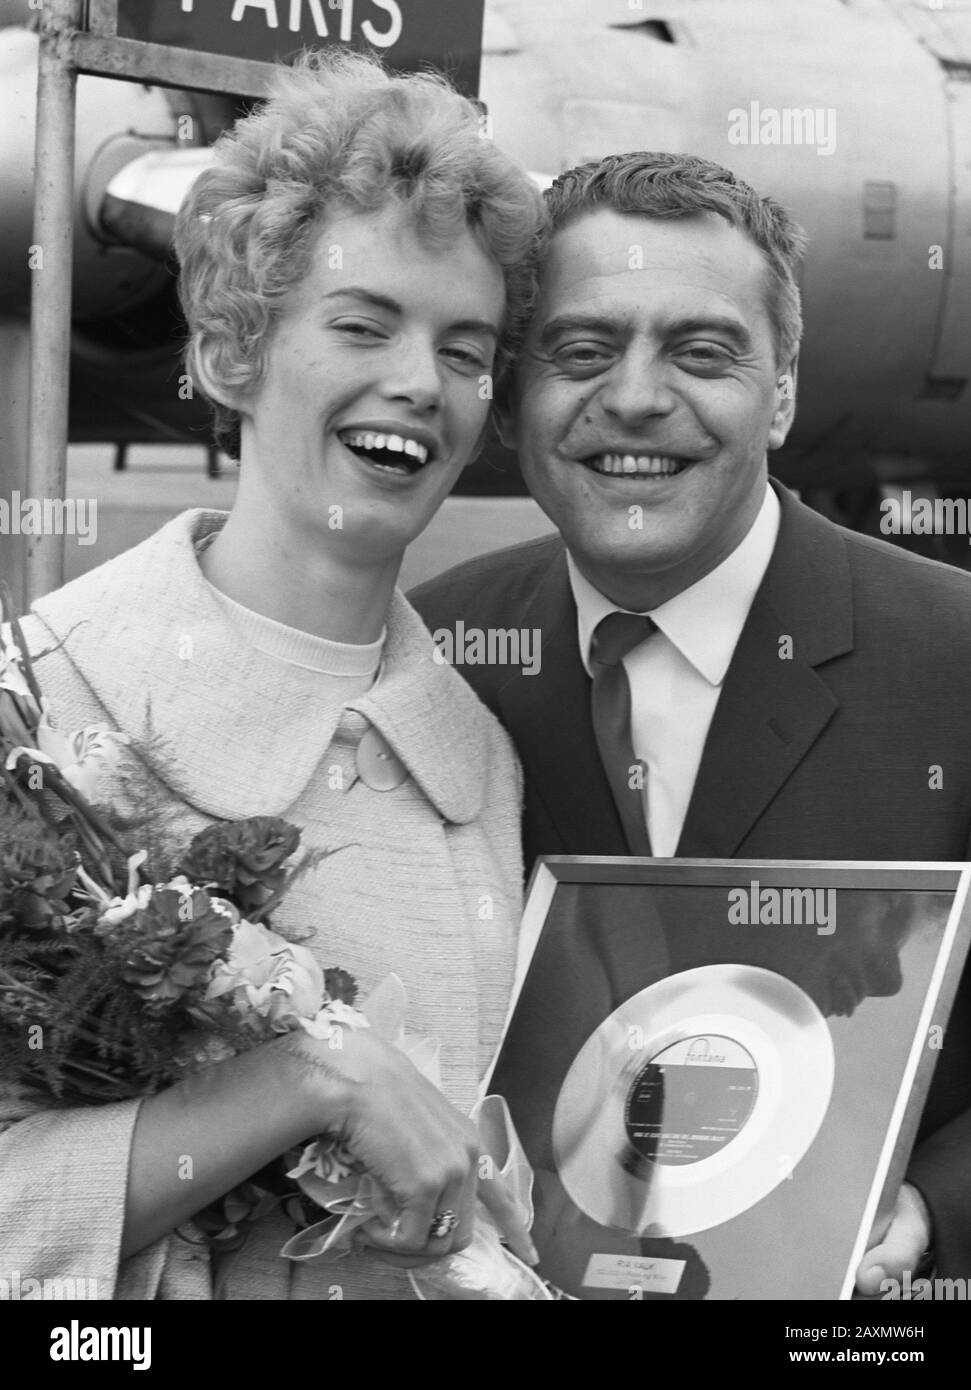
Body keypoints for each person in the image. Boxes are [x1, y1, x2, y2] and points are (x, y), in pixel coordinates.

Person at [0, 50, 546, 1300]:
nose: (419, 380)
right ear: (234, 349)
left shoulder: (480, 758)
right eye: (361, 324)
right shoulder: (43, 706)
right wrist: (310, 1076)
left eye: (464, 348)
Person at [410, 151, 971, 1290]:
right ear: (514, 394)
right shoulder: (433, 656)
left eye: (700, 352)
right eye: (579, 350)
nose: (631, 398)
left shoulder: (954, 660)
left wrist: (929, 1208)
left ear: (781, 389)